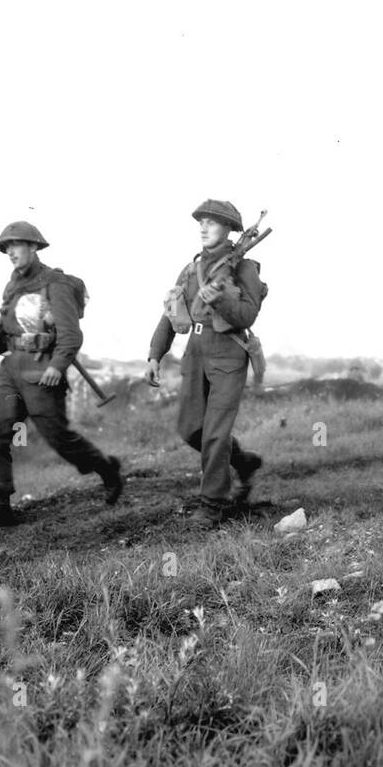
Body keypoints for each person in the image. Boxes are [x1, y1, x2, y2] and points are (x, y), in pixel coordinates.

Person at [0, 221, 123, 535]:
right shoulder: (13, 285)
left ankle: (106, 468)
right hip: (11, 370)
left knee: (58, 437)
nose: (10, 252)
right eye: (6, 247)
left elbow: (71, 335)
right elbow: (4, 331)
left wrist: (57, 366)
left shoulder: (55, 283)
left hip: (42, 369)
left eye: (16, 245)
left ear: (34, 247)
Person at [146, 200, 266, 529]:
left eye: (212, 223)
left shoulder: (244, 268)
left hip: (228, 352)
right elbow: (171, 312)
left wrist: (222, 299)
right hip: (195, 351)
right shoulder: (192, 268)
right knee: (190, 428)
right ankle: (242, 462)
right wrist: (156, 354)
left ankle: (213, 503)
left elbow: (247, 315)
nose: (203, 228)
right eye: (201, 222)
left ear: (228, 229)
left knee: (215, 433)